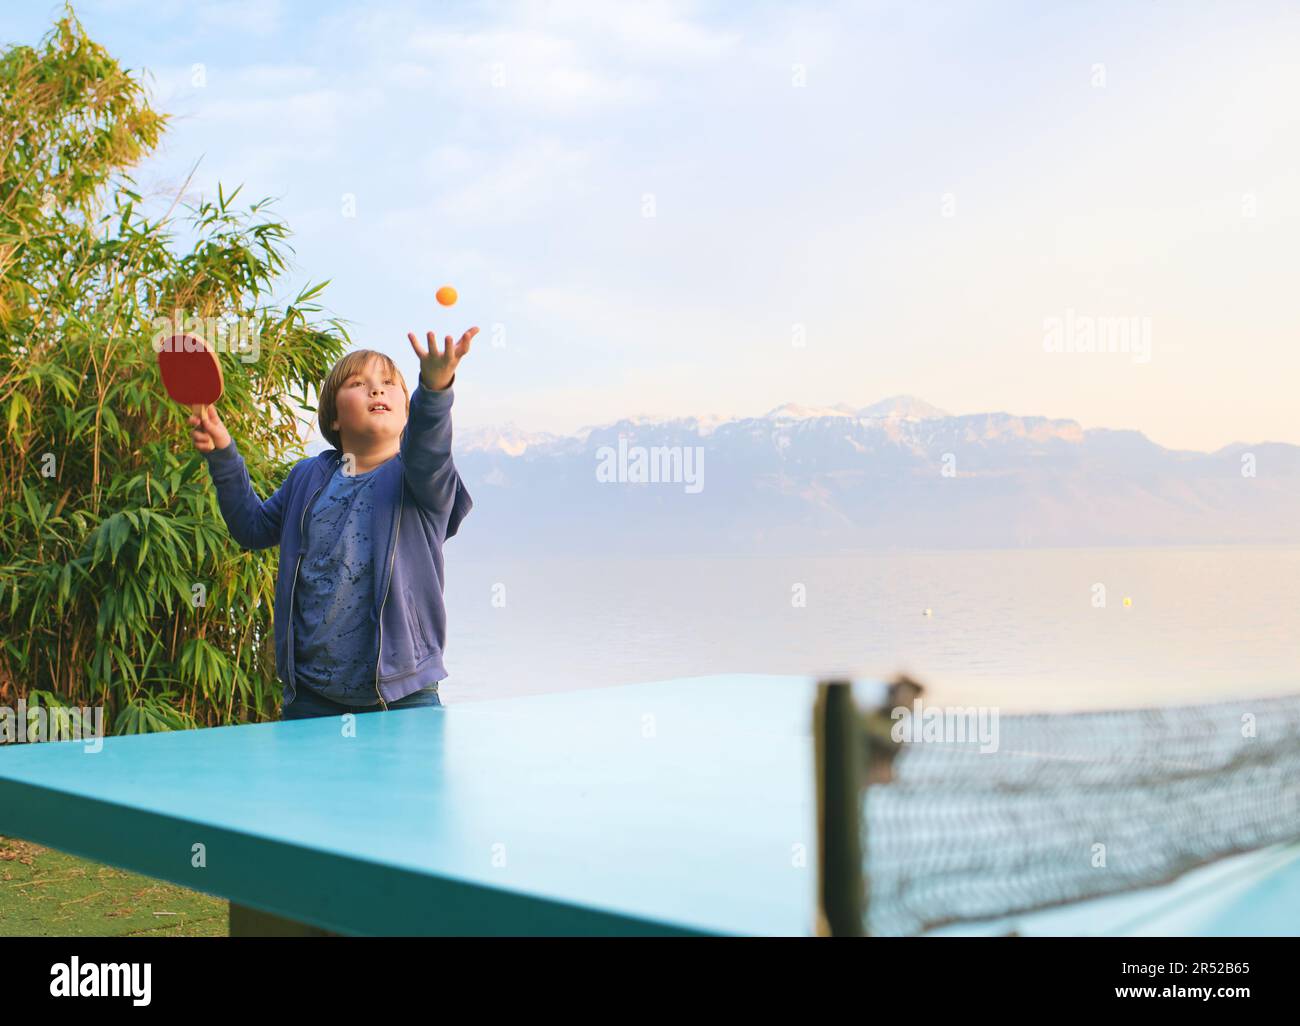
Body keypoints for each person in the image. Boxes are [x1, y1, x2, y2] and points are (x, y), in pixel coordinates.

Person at [188, 328, 477, 720]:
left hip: (403, 695)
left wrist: (435, 386)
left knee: (406, 786)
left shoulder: (420, 479)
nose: (377, 391)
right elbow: (252, 527)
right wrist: (223, 453)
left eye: (389, 384)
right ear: (334, 417)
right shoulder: (307, 477)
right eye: (359, 384)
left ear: (408, 411)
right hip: (310, 697)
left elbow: (429, 443)